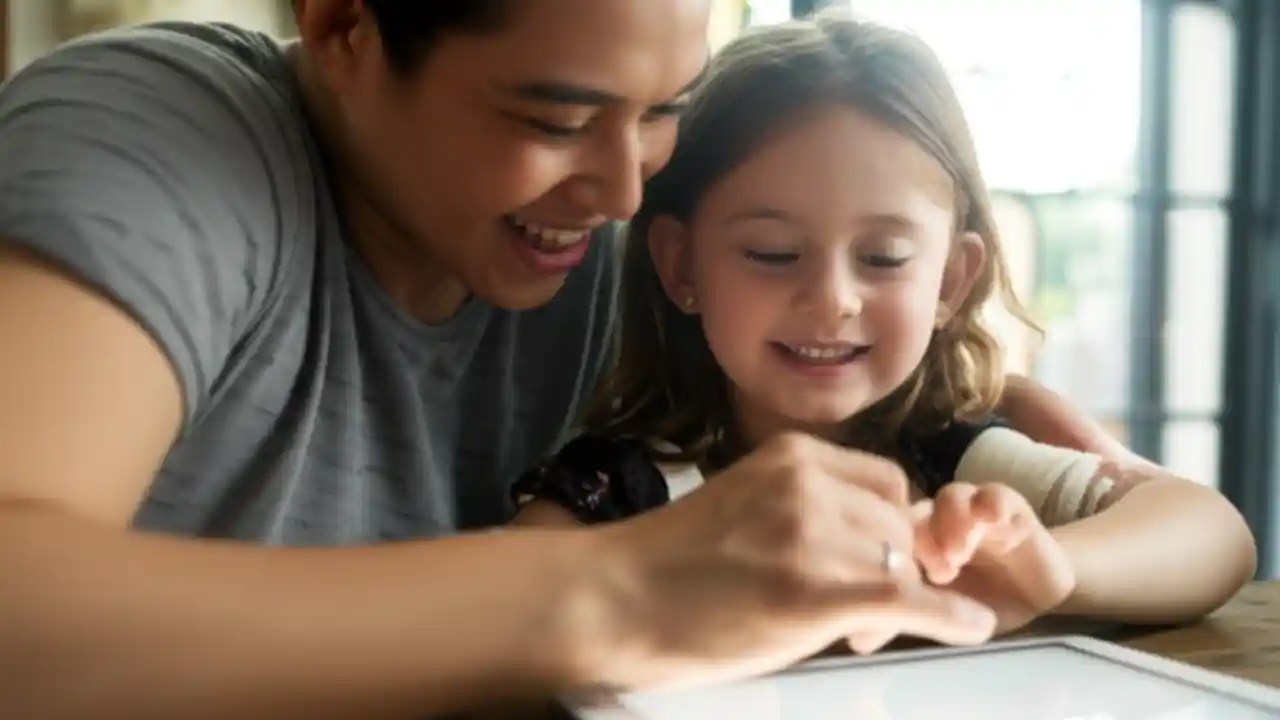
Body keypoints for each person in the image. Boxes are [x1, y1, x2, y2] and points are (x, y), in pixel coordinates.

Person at [0, 1, 1239, 717]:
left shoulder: (599, 233)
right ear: (341, 22)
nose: (620, 188)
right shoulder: (165, 148)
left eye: (664, 112)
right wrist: (620, 594)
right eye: (553, 118)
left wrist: (964, 407)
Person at [510, 13, 1257, 638]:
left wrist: (1050, 570)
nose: (832, 298)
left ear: (951, 280)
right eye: (773, 253)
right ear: (680, 267)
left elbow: (1216, 536)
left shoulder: (952, 457)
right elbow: (511, 624)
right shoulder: (618, 485)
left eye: (884, 256)